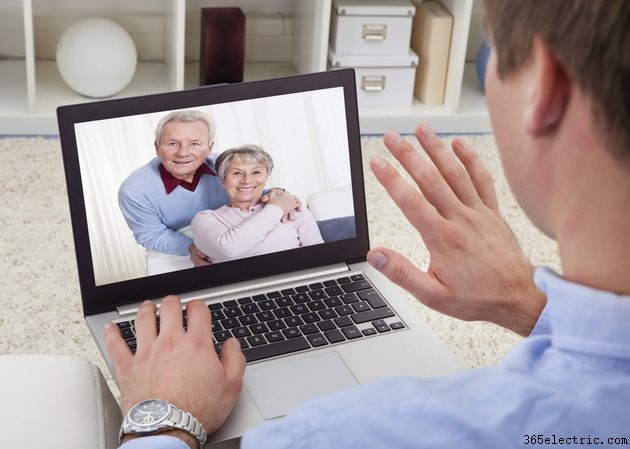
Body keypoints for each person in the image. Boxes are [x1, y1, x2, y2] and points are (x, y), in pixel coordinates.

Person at [105, 0, 630, 447]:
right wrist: (534, 309)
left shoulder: (357, 430)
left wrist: (161, 420)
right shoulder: (191, 208)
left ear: (546, 88)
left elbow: (299, 242)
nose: (242, 178)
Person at [118, 110, 299, 267]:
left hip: (237, 233)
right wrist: (193, 248)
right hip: (179, 249)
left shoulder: (226, 165)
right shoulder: (133, 190)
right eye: (172, 143)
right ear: (157, 147)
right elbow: (151, 235)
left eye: (195, 144)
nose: (183, 153)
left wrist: (278, 193)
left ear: (209, 147)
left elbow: (253, 188)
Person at [191, 145, 323, 263]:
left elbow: (318, 255)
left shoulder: (291, 207)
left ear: (266, 178)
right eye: (237, 173)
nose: (247, 180)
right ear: (223, 179)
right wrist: (275, 209)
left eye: (256, 172)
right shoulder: (205, 218)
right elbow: (228, 250)